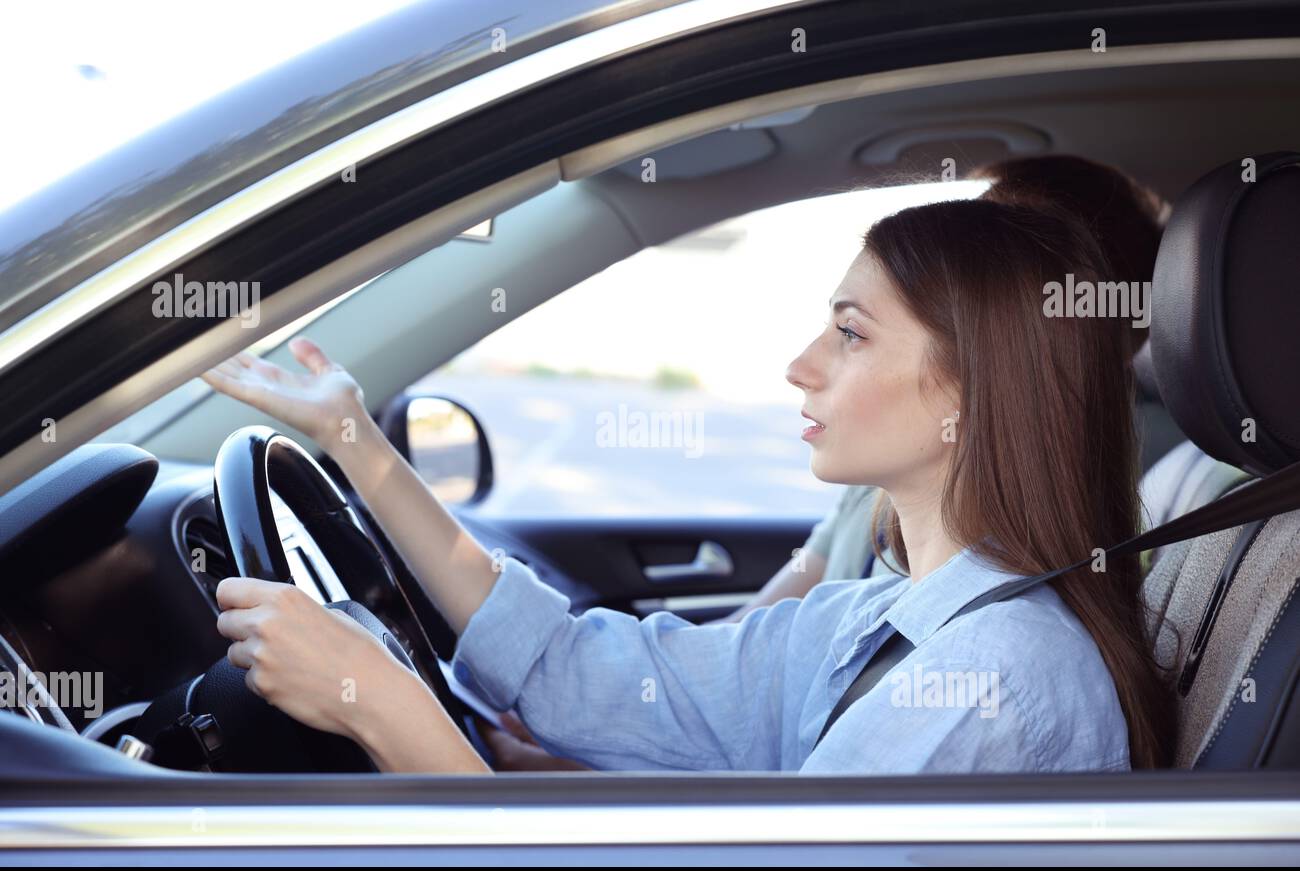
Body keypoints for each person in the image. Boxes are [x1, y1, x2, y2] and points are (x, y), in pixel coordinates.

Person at [201, 197, 1175, 774]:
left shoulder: (993, 686)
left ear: (971, 390)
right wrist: (353, 437)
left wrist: (378, 703)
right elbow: (575, 670)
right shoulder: (878, 622)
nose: (799, 365)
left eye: (849, 332)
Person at [721, 155, 1169, 619]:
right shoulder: (886, 474)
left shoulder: (1013, 621)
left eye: (1013, 264)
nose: (956, 277)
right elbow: (757, 638)